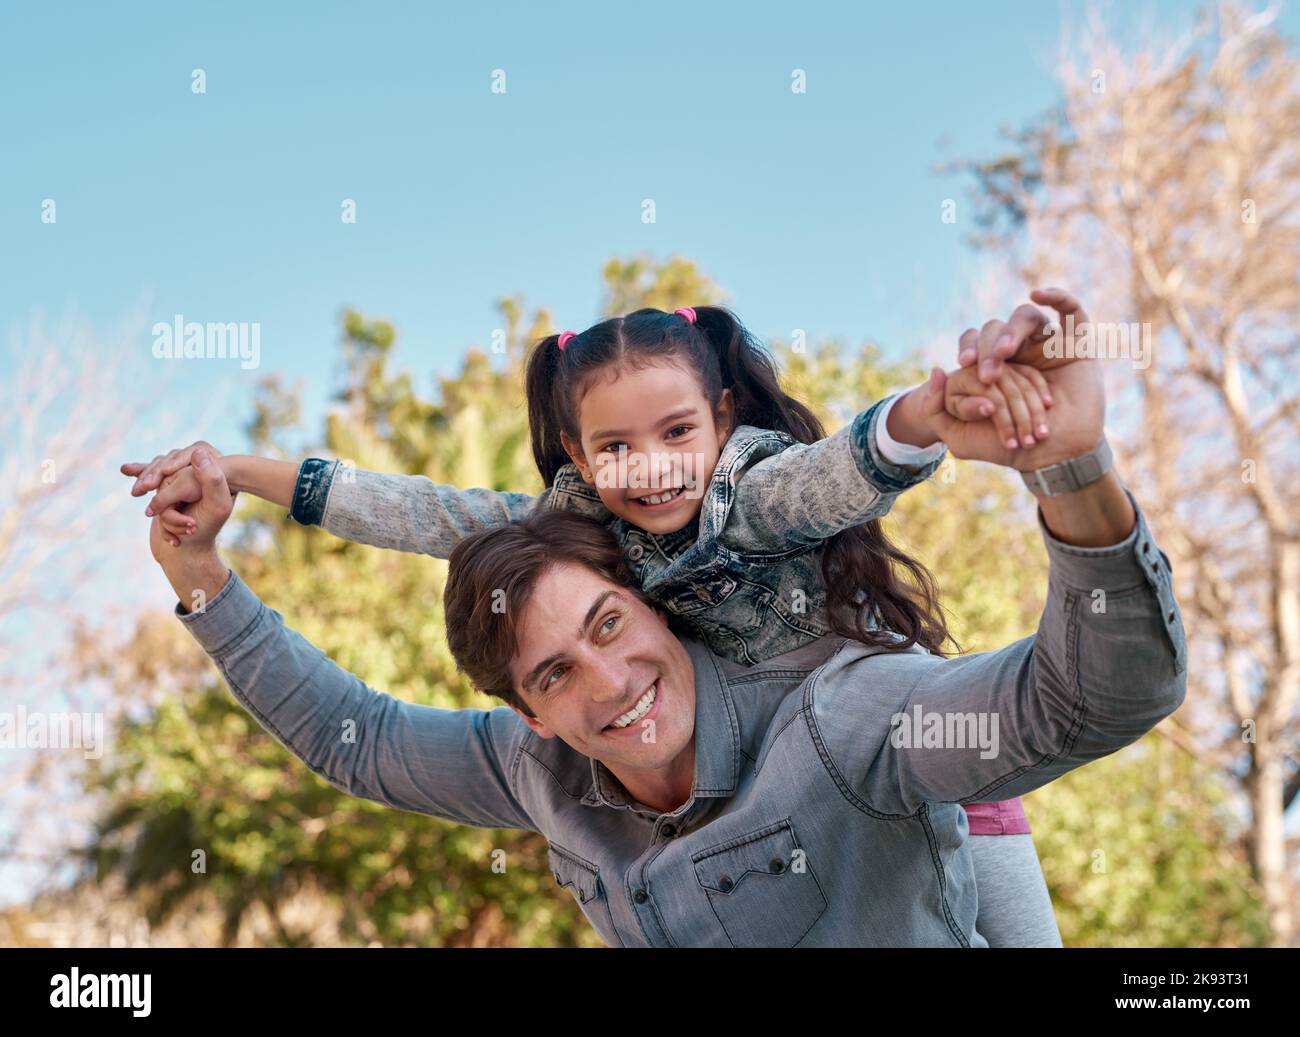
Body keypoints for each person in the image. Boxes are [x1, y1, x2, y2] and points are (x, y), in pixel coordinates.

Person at [136, 315, 1187, 946]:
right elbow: (356, 705)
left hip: (917, 751)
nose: (608, 677)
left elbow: (864, 469)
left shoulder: (777, 546)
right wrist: (221, 527)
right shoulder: (567, 611)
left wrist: (1050, 456)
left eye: (606, 624)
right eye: (554, 670)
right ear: (528, 713)